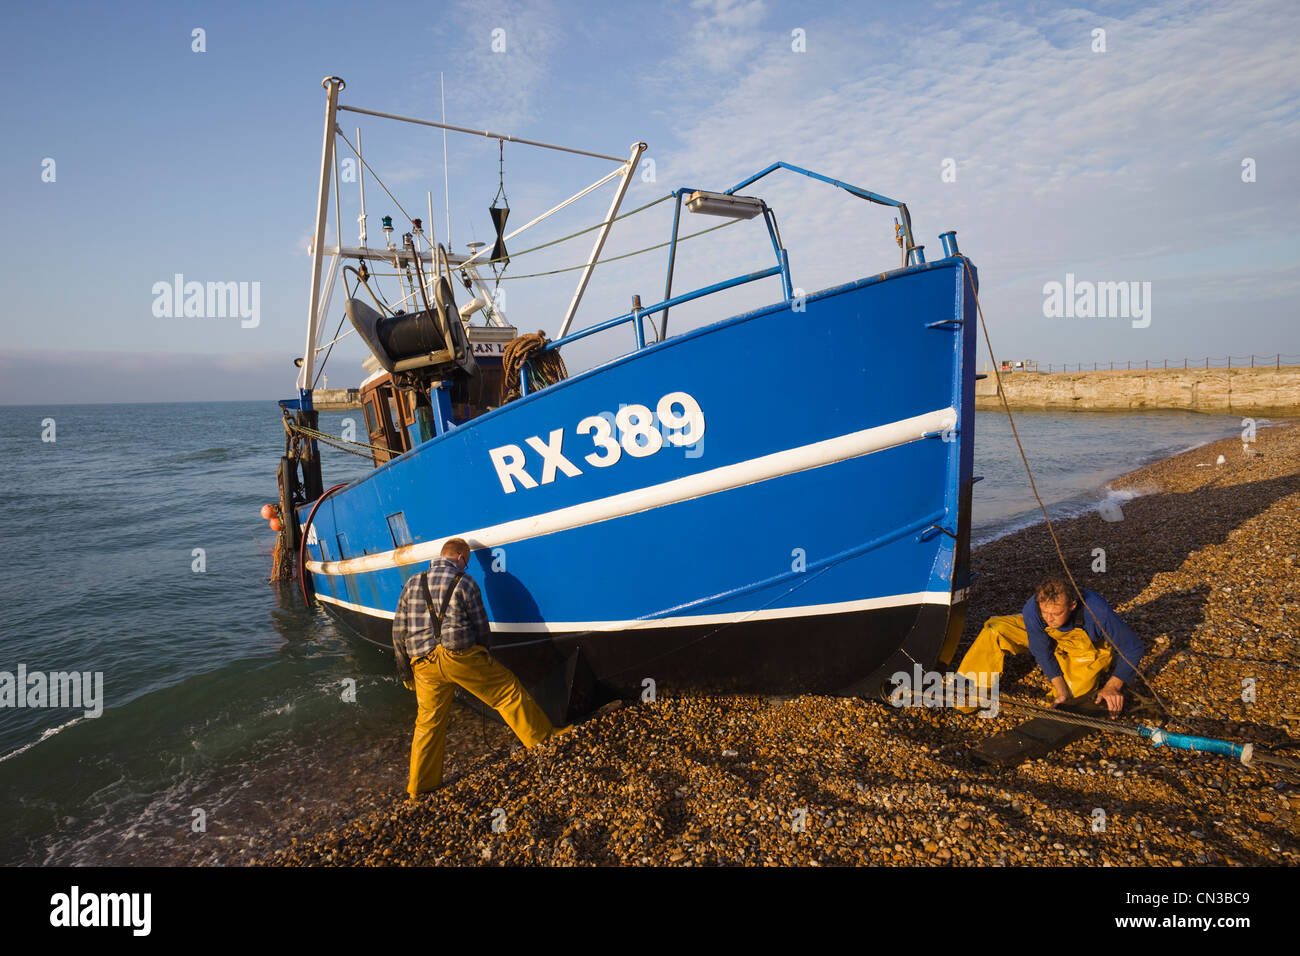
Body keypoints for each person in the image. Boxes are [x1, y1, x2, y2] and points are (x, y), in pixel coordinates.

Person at [393, 537, 564, 797]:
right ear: (461, 558)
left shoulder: (413, 583)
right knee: (507, 693)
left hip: (423, 663)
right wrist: (485, 653)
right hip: (460, 655)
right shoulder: (465, 582)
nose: (466, 568)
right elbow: (480, 625)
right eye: (467, 563)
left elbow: (399, 631)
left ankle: (421, 788)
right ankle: (543, 741)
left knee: (428, 723)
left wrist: (405, 671)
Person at [956, 575, 1144, 714]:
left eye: (1056, 613)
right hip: (1049, 639)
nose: (1049, 618)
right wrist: (1059, 686)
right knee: (994, 629)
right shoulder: (1034, 608)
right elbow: (1041, 650)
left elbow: (1133, 647)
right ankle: (968, 693)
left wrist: (1113, 685)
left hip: (1084, 648)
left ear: (1072, 605)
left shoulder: (1098, 611)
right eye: (1045, 612)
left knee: (1070, 702)